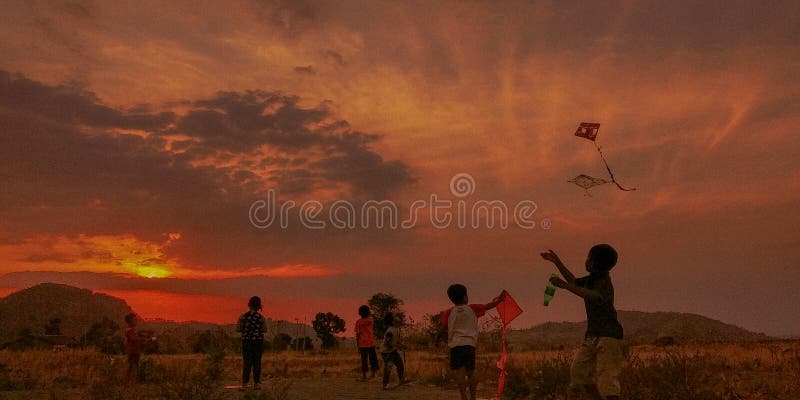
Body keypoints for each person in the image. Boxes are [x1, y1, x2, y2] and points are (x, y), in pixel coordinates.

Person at [541, 245, 625, 400]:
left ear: (596, 263)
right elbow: (573, 281)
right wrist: (557, 262)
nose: (586, 261)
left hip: (609, 337)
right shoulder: (591, 279)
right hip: (592, 336)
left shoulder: (604, 282)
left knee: (607, 380)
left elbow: (592, 295)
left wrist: (565, 286)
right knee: (579, 373)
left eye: (589, 258)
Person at [439, 285, 505, 400]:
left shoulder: (448, 312)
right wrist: (499, 300)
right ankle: (473, 397)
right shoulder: (473, 308)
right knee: (471, 371)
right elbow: (488, 306)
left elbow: (443, 328)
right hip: (469, 345)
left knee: (460, 372)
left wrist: (437, 339)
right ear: (465, 297)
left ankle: (463, 397)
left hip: (455, 345)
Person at [236, 296, 267, 390]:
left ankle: (244, 385)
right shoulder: (261, 318)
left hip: (246, 341)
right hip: (258, 342)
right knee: (257, 362)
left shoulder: (243, 316)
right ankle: (256, 384)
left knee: (247, 363)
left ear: (249, 305)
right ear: (259, 306)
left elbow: (238, 329)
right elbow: (264, 330)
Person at [379, 312, 407, 389]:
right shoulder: (390, 331)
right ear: (393, 321)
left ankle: (402, 380)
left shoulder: (397, 329)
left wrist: (401, 345)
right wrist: (397, 346)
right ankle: (385, 384)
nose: (397, 317)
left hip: (393, 351)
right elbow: (387, 343)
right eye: (395, 316)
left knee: (400, 365)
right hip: (387, 352)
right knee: (388, 367)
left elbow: (396, 340)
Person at [355, 305, 379, 381]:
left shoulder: (358, 322)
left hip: (362, 343)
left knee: (364, 360)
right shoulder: (370, 320)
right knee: (373, 359)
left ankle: (364, 375)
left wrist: (358, 344)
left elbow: (357, 334)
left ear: (360, 313)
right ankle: (373, 374)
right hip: (371, 342)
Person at [124, 313, 141, 383]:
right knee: (132, 365)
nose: (136, 321)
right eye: (134, 320)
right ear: (130, 321)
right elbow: (133, 339)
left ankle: (133, 379)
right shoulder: (129, 330)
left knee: (135, 365)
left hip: (135, 350)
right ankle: (129, 379)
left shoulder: (133, 330)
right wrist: (140, 339)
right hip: (132, 351)